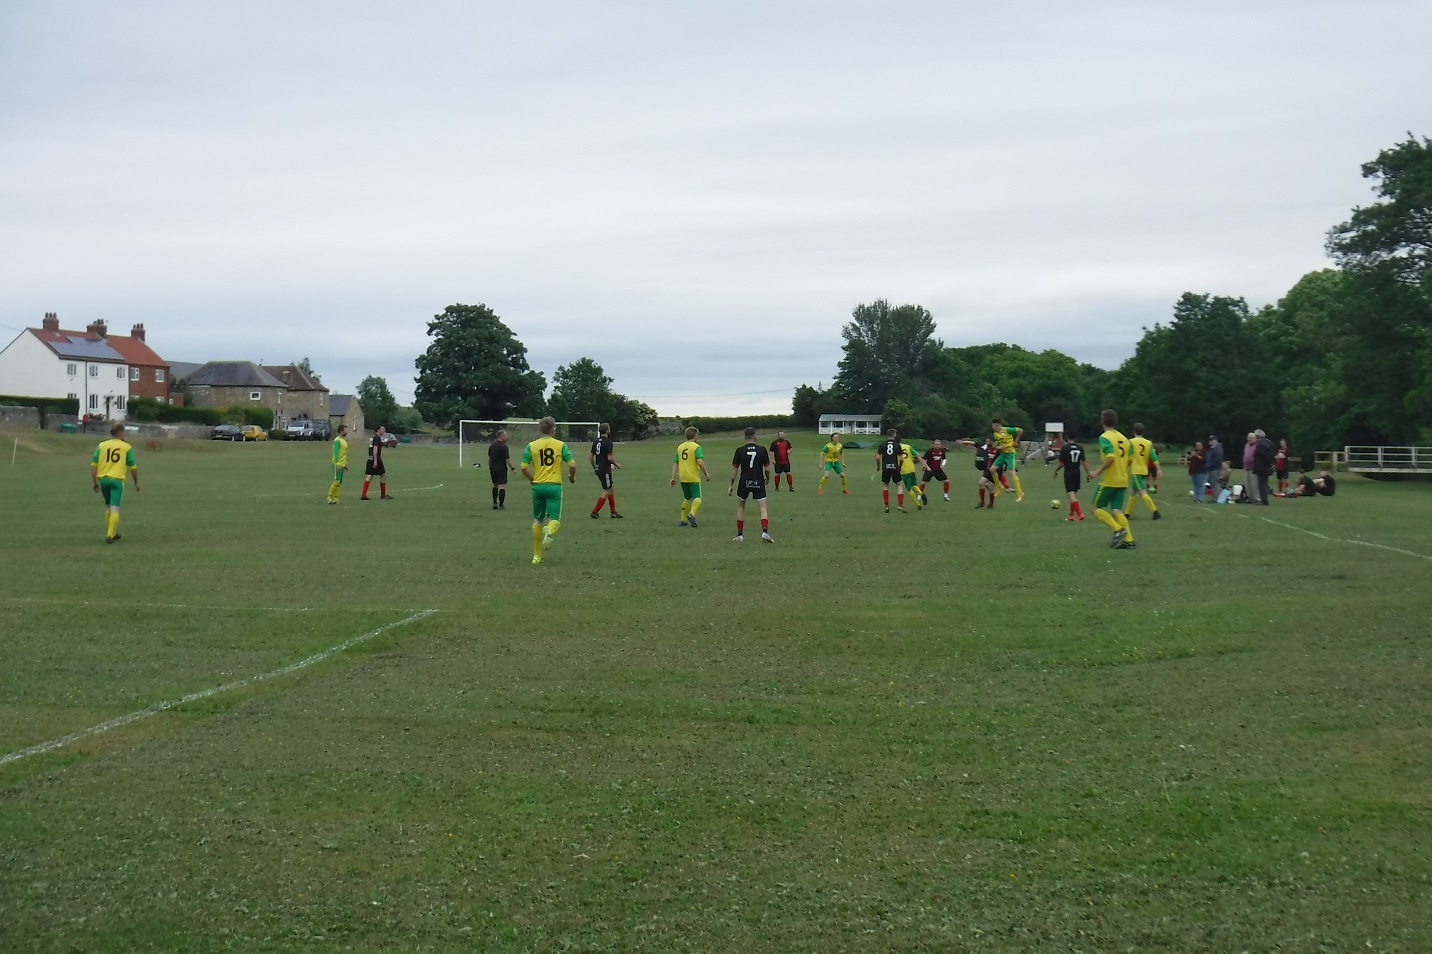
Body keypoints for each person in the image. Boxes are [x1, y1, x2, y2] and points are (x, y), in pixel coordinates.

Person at [521, 416, 576, 564]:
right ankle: (549, 531)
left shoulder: (531, 446)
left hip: (538, 486)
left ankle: (536, 556)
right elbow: (572, 465)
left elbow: (523, 466)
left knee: (538, 519)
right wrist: (571, 477)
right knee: (555, 520)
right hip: (554, 486)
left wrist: (532, 478)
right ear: (553, 429)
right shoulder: (560, 445)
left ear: (540, 429)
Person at [1090, 409, 1135, 549]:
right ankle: (1129, 540)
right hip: (1123, 479)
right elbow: (1130, 459)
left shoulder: (1105, 437)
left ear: (1102, 421)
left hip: (1110, 480)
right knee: (1116, 510)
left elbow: (1110, 457)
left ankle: (1118, 529)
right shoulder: (1125, 439)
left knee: (1095, 508)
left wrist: (1096, 472)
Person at [91, 422, 140, 542]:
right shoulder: (126, 447)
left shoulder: (102, 445)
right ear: (121, 433)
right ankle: (109, 535)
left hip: (103, 480)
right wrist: (136, 482)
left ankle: (112, 532)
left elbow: (93, 466)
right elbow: (133, 467)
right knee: (115, 508)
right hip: (117, 481)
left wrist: (95, 482)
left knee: (109, 506)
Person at [729, 426, 774, 542]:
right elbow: (767, 468)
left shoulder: (739, 450)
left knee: (741, 506)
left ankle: (740, 535)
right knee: (763, 507)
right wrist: (767, 479)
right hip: (758, 480)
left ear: (745, 437)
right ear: (755, 436)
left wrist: (731, 484)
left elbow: (734, 469)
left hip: (744, 481)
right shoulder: (762, 449)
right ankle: (764, 532)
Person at [670, 426, 711, 526]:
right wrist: (706, 473)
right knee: (698, 497)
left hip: (683, 477)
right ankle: (692, 514)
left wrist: (673, 477)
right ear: (695, 435)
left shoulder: (680, 447)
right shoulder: (696, 447)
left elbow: (676, 463)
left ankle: (683, 520)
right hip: (693, 476)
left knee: (687, 498)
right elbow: (700, 462)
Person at [1052, 434, 1093, 521]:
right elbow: (1084, 462)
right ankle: (1071, 515)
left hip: (1068, 472)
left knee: (1071, 494)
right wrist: (1088, 473)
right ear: (1075, 437)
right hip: (1077, 472)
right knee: (1073, 494)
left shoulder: (1065, 448)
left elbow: (1061, 463)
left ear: (1067, 437)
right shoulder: (1080, 448)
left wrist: (1056, 470)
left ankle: (1079, 513)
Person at [1128, 423, 1162, 520]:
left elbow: (1129, 456)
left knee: (1142, 492)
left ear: (1134, 431)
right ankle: (1127, 513)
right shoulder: (1148, 443)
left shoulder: (1131, 442)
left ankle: (1155, 511)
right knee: (1133, 492)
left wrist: (1125, 465)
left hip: (1136, 470)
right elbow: (1154, 457)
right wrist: (1159, 469)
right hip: (1143, 470)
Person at [589, 423, 623, 519]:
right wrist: (617, 465)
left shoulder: (596, 441)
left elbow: (591, 456)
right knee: (607, 490)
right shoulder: (608, 442)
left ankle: (613, 512)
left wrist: (595, 466)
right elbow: (610, 458)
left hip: (599, 468)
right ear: (607, 431)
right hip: (605, 469)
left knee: (611, 488)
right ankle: (595, 512)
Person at [991, 418, 1024, 502]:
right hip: (1003, 454)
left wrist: (1016, 441)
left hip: (1010, 454)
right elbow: (999, 442)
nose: (993, 427)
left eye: (993, 426)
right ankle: (999, 487)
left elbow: (1020, 430)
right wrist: (996, 445)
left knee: (1011, 472)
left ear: (997, 425)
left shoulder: (1007, 430)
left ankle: (1020, 492)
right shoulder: (995, 434)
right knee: (992, 469)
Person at [876, 428, 905, 512]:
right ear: (894, 435)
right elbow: (902, 459)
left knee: (885, 485)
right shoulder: (897, 445)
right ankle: (900, 505)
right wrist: (900, 466)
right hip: (895, 467)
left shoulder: (882, 445)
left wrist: (878, 466)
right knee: (899, 485)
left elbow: (877, 457)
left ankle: (887, 506)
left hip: (885, 468)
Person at [361, 425, 393, 500]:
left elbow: (379, 444)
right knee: (383, 475)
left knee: (370, 475)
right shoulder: (377, 438)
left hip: (370, 459)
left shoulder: (374, 437)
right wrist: (375, 460)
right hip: (376, 459)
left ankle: (363, 494)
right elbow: (375, 448)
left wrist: (387, 441)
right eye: (382, 429)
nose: (384, 430)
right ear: (378, 430)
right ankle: (383, 495)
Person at [488, 429, 516, 510]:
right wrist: (512, 468)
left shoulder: (492, 446)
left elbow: (490, 458)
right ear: (501, 436)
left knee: (495, 485)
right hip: (501, 468)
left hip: (493, 468)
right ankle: (501, 504)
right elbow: (507, 459)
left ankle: (494, 503)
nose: (507, 437)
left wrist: (490, 466)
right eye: (505, 435)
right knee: (502, 485)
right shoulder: (504, 447)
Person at [899, 438, 925, 509]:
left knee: (909, 488)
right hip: (911, 468)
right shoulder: (908, 446)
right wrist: (922, 463)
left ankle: (918, 504)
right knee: (914, 484)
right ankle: (921, 493)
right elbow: (916, 454)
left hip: (903, 470)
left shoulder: (895, 448)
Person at [326, 424, 349, 504]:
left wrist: (345, 464)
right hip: (337, 464)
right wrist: (338, 463)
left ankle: (335, 499)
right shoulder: (337, 440)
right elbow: (335, 453)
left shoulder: (344, 441)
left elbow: (343, 453)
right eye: (345, 430)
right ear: (341, 431)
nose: (347, 432)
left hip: (342, 464)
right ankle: (329, 497)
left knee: (339, 482)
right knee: (336, 481)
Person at [1253, 429, 1275, 505]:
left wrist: (1268, 464)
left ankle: (1264, 500)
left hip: (1261, 467)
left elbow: (1264, 456)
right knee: (1265, 483)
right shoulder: (1269, 442)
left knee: (1261, 484)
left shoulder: (1260, 445)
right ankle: (1264, 499)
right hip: (1267, 467)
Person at [1240, 432, 1261, 505]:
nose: (1249, 439)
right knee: (1247, 484)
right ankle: (1250, 498)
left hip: (1254, 468)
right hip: (1247, 467)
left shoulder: (1257, 446)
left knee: (1254, 484)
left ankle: (1257, 498)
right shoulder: (1247, 445)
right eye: (1248, 438)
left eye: (1251, 438)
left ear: (1255, 439)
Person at [1202, 435, 1223, 501]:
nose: (1210, 441)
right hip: (1211, 468)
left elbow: (1218, 460)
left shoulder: (1218, 448)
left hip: (1215, 469)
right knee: (1212, 483)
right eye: (1210, 440)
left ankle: (1217, 498)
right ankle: (1216, 497)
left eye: (1212, 440)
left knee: (1215, 483)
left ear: (1215, 440)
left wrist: (1210, 466)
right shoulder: (1212, 448)